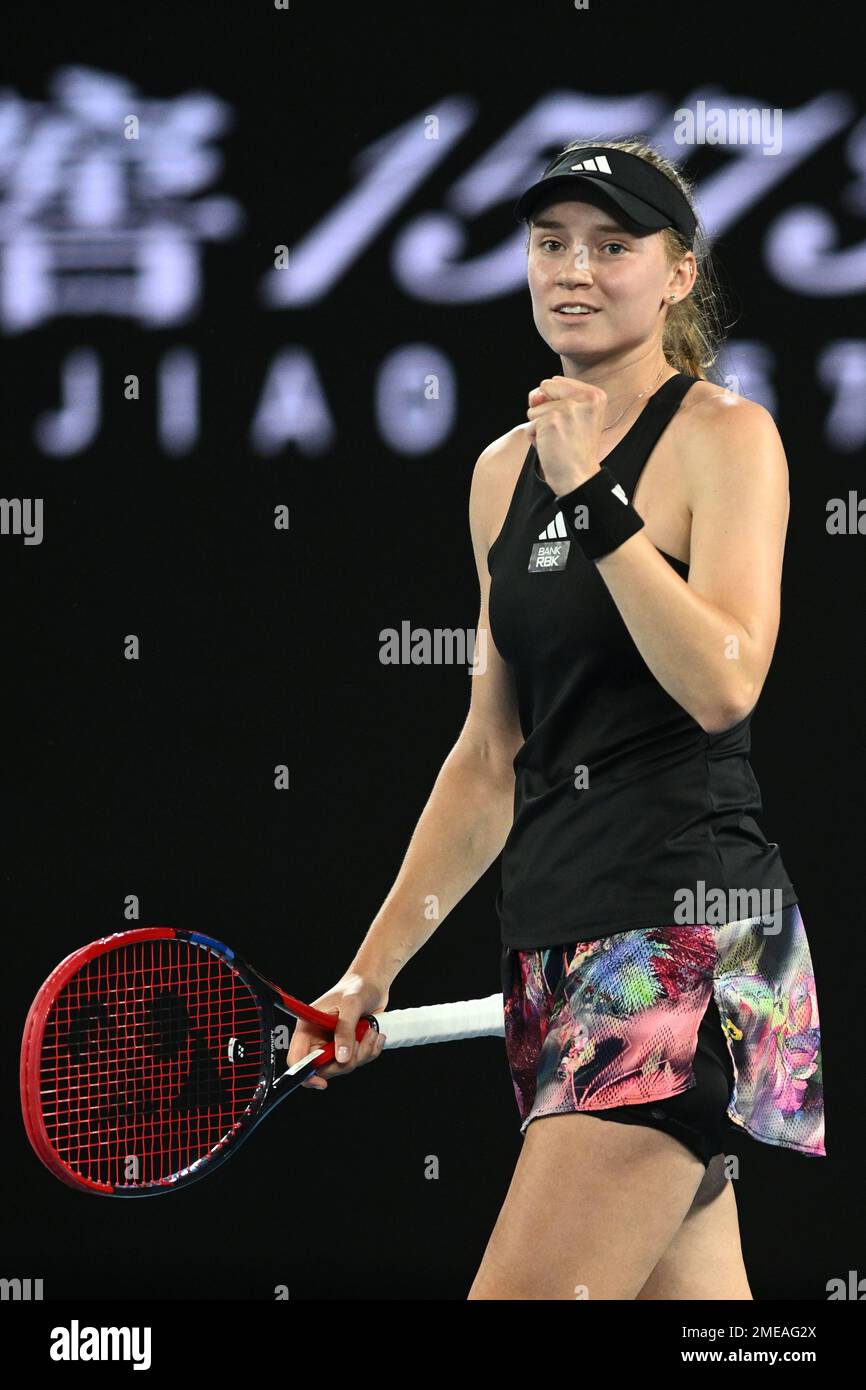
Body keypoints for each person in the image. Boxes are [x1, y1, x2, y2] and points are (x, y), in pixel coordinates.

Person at [286, 137, 826, 1300]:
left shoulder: (727, 439)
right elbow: (491, 756)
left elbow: (725, 680)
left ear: (678, 274)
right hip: (552, 949)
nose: (572, 271)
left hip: (680, 947)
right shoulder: (498, 473)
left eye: (611, 246)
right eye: (548, 245)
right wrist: (365, 976)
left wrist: (596, 503)